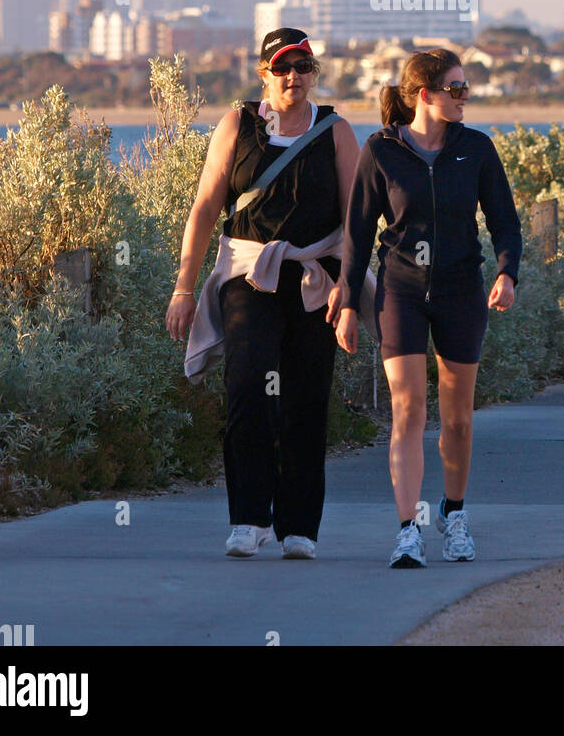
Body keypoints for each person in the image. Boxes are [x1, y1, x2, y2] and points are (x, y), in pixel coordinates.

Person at [166, 28, 360, 559]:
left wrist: (349, 285)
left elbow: (356, 217)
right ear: (263, 74)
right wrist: (184, 287)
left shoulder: (336, 131)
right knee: (249, 386)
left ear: (314, 72)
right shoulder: (237, 125)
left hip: (314, 278)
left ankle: (299, 527)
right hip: (249, 274)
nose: (293, 77)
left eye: (303, 66)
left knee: (306, 397)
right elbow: (206, 207)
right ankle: (249, 519)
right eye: (282, 67)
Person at [335, 49, 522, 567]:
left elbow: (505, 222)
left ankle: (455, 514)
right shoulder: (381, 151)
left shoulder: (477, 150)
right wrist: (349, 302)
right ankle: (407, 529)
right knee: (408, 411)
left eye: (466, 88)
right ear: (426, 95)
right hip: (400, 292)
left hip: (463, 291)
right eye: (457, 89)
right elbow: (355, 236)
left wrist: (507, 272)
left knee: (457, 418)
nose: (466, 97)